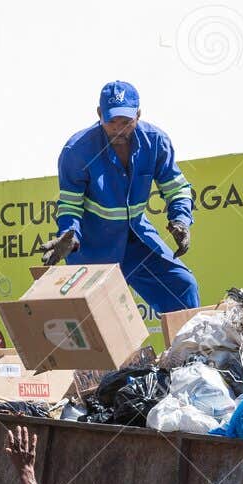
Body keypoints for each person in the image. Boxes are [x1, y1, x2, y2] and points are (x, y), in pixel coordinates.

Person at [41, 79, 201, 315]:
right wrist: (69, 235)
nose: (118, 129)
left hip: (138, 241)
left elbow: (176, 188)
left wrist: (181, 220)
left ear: (138, 114)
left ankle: (187, 351)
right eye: (111, 121)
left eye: (126, 122)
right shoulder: (76, 151)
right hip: (94, 248)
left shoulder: (156, 141)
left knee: (182, 286)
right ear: (99, 114)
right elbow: (70, 205)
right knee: (94, 319)